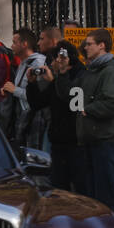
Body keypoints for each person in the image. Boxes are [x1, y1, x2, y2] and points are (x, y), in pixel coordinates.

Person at [76, 27, 114, 216]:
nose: (85, 47)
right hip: (90, 137)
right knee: (93, 194)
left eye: (89, 44)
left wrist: (89, 109)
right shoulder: (92, 69)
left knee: (104, 193)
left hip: (104, 138)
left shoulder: (109, 71)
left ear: (102, 45)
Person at [27, 40, 86, 194]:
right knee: (59, 189)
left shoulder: (80, 76)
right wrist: (32, 84)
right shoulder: (58, 79)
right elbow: (38, 103)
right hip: (58, 142)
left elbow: (71, 104)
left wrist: (58, 77)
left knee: (79, 189)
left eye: (52, 60)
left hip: (76, 144)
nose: (51, 64)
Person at [0, 28, 46, 151]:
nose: (11, 46)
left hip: (33, 117)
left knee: (33, 153)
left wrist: (15, 90)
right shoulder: (23, 63)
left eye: (14, 42)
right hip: (22, 116)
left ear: (24, 44)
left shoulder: (37, 63)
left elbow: (38, 96)